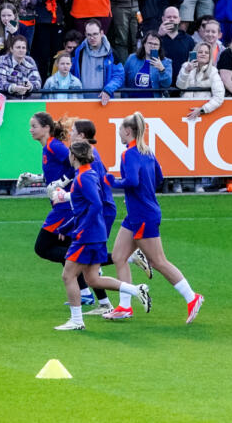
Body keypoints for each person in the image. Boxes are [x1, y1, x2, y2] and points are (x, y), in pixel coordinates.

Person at [104, 113, 205, 323]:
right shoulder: (148, 152)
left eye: (120, 130)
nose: (119, 134)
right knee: (119, 257)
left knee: (158, 261)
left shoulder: (129, 154)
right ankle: (124, 307)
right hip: (138, 213)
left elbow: (132, 181)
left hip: (142, 215)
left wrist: (112, 182)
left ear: (128, 131)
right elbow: (158, 177)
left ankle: (192, 297)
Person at [56, 139, 153, 331]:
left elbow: (96, 205)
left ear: (74, 156)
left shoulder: (83, 178)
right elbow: (83, 208)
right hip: (95, 234)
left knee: (68, 275)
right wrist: (66, 228)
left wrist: (81, 229)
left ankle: (77, 321)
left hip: (87, 236)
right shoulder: (88, 174)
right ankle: (136, 290)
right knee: (92, 279)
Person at [27, 113, 110, 314]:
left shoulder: (55, 146)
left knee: (43, 248)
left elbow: (77, 165)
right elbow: (56, 173)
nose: (31, 130)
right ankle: (96, 298)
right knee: (70, 252)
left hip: (63, 210)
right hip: (62, 207)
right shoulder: (48, 148)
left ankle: (121, 258)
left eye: (34, 126)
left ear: (46, 128)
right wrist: (35, 179)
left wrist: (61, 183)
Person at [175, 42, 224, 119]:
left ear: (210, 56)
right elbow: (180, 86)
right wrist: (187, 71)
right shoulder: (186, 66)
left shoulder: (213, 71)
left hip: (203, 113)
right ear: (195, 53)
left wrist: (202, 109)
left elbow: (219, 97)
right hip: (184, 109)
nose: (203, 54)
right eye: (200, 52)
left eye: (206, 53)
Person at [122, 34, 172, 98]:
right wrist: (125, 97)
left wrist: (162, 69)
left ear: (159, 47)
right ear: (144, 44)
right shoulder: (132, 58)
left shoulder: (166, 62)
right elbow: (123, 79)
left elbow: (167, 85)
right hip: (132, 101)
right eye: (150, 43)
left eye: (156, 44)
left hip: (153, 101)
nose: (152, 46)